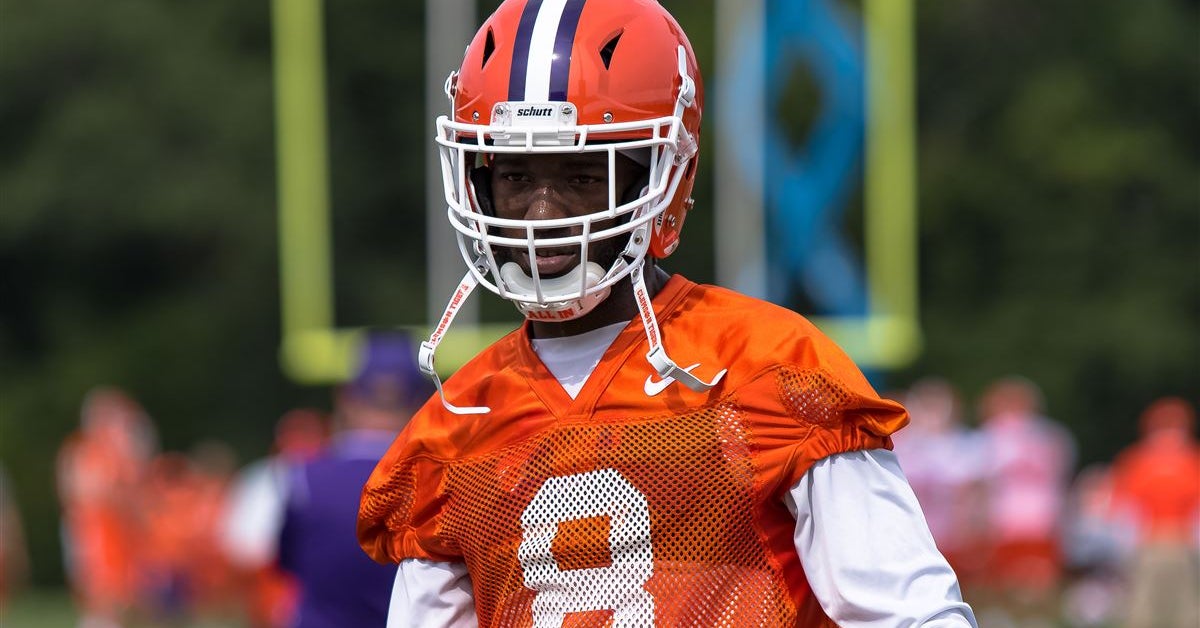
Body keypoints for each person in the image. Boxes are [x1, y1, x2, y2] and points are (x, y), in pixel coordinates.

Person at [357, 1, 977, 626]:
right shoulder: (454, 425)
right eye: (516, 176)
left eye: (582, 175)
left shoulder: (769, 366)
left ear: (665, 176)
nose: (542, 214)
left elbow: (912, 614)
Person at [278, 332, 426, 627]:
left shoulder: (302, 480)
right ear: (422, 400)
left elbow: (286, 564)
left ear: (345, 395)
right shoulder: (442, 483)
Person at [1108, 396, 1200, 628]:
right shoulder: (1137, 460)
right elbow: (1126, 506)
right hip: (1150, 540)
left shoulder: (1191, 459)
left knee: (1185, 604)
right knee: (1144, 604)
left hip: (1180, 540)